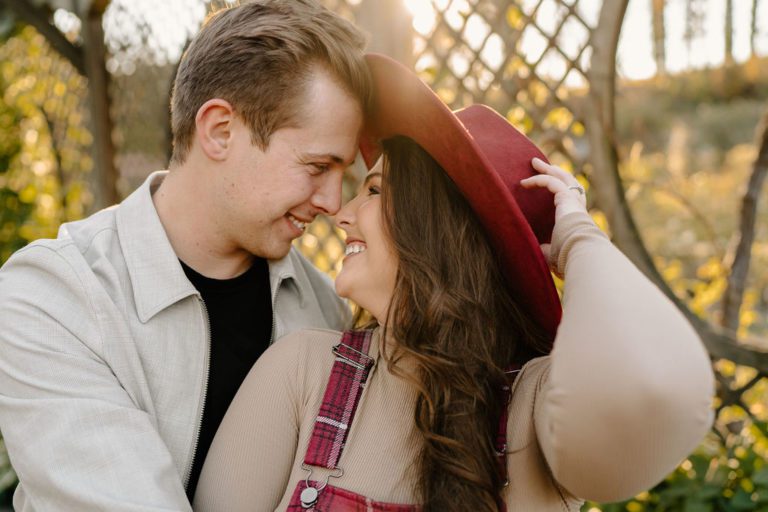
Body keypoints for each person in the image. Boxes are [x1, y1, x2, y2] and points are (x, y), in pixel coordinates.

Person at [192, 54, 715, 511]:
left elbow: (659, 391)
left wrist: (580, 241)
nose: (342, 213)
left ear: (437, 228)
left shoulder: (533, 412)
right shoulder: (304, 373)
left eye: (372, 190)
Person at [0, 1, 372, 509]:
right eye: (316, 166)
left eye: (343, 173)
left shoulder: (325, 308)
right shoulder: (52, 297)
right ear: (220, 130)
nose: (333, 202)